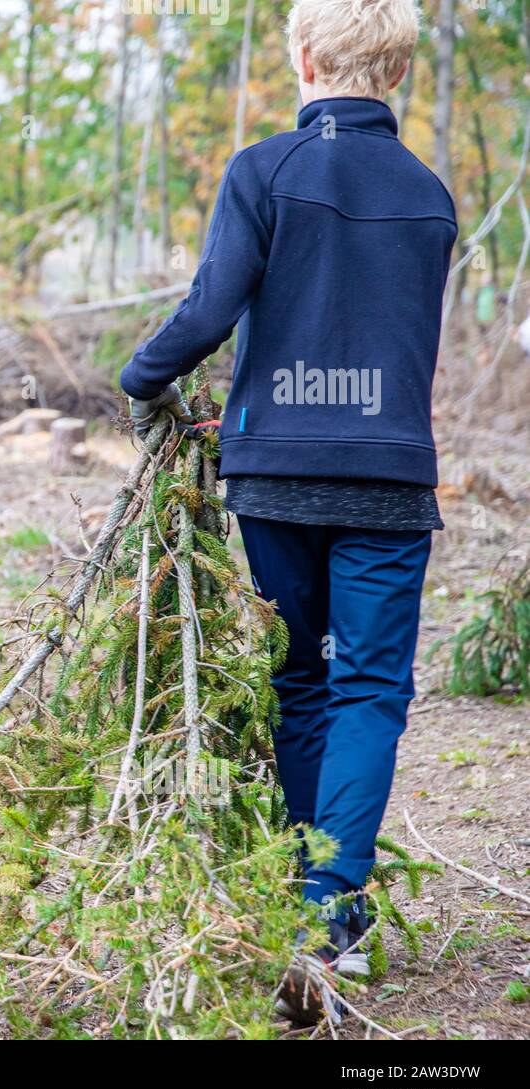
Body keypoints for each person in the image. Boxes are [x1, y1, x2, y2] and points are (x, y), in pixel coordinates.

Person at [120, 0, 454, 1023]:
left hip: (273, 470)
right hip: (388, 476)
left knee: (298, 680)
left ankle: (309, 905)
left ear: (303, 57)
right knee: (368, 690)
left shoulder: (263, 169)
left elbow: (213, 302)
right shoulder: (431, 197)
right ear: (393, 70)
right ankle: (328, 913)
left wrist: (144, 379)